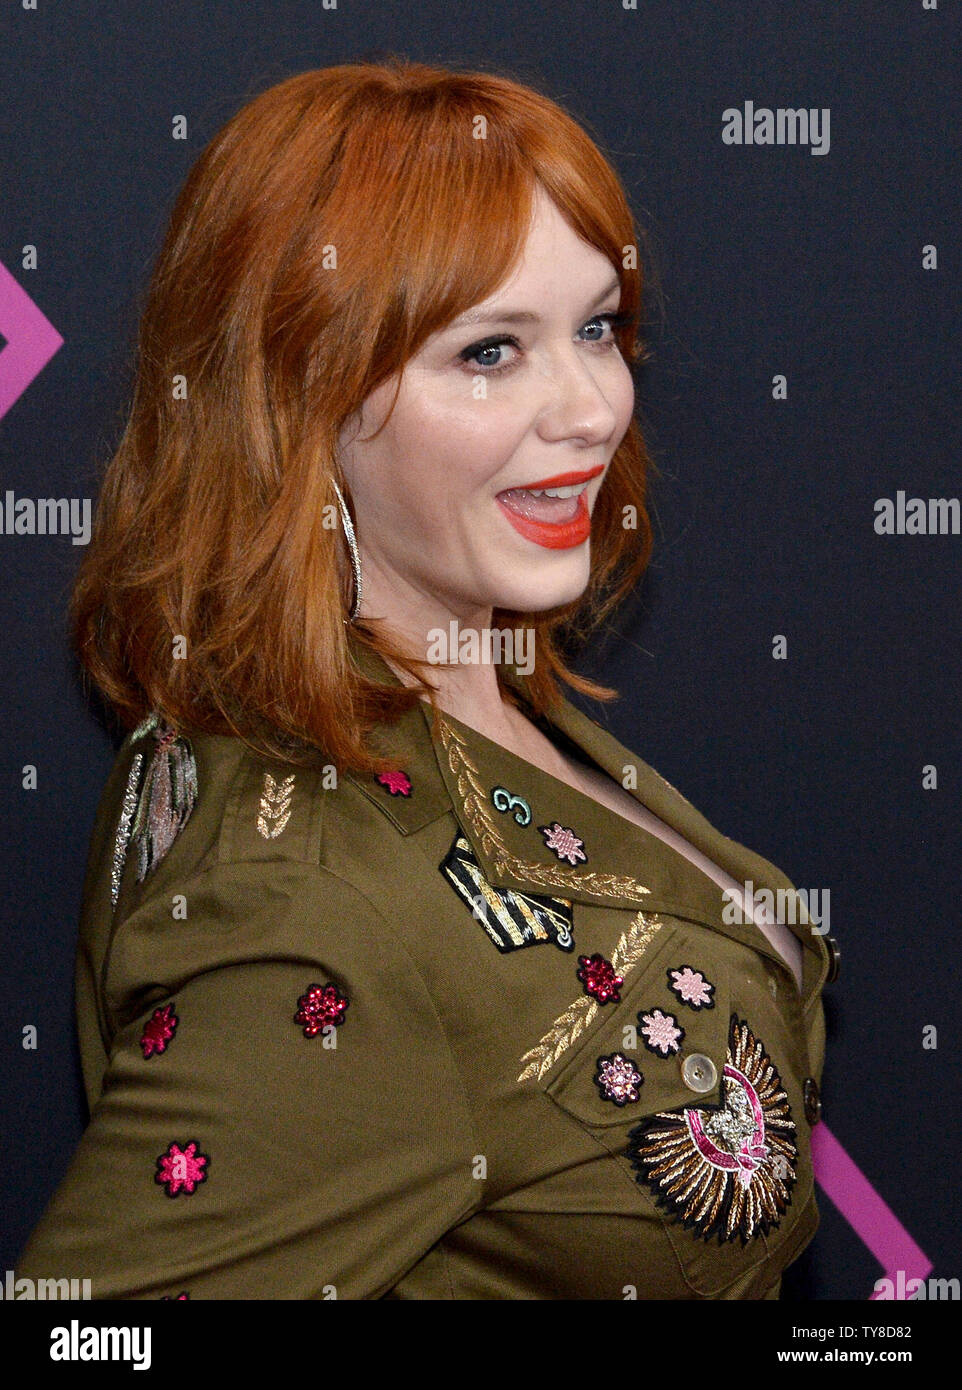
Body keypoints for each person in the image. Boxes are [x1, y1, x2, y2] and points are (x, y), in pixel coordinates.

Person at [16, 57, 837, 1300]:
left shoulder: (459, 677)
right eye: (490, 351)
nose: (591, 409)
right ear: (301, 399)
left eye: (596, 328)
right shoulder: (314, 907)